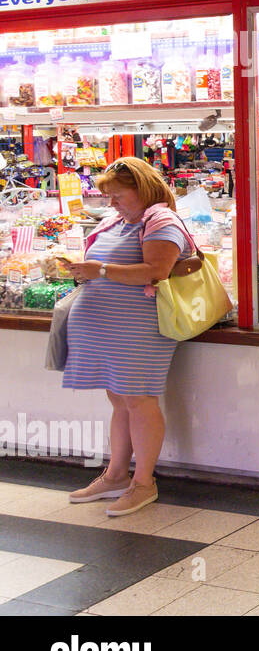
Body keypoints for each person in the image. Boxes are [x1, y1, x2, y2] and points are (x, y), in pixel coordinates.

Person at [61, 157, 200, 517]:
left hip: (138, 330)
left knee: (139, 401)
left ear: (141, 190)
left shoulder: (161, 221)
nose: (111, 203)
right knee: (120, 401)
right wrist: (85, 270)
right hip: (107, 330)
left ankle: (144, 482)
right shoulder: (119, 221)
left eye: (117, 195)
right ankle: (116, 475)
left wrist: (100, 270)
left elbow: (156, 270)